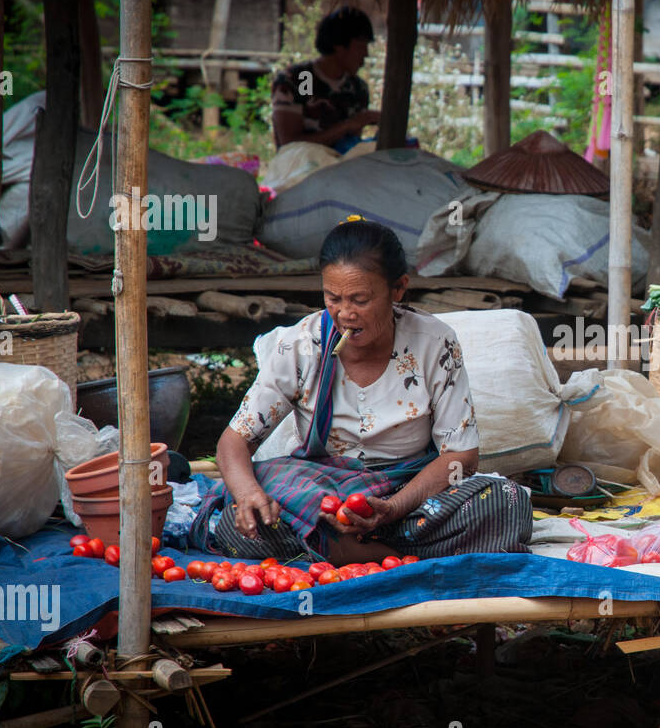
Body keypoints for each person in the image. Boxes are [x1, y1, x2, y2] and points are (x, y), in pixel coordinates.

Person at [190, 217, 531, 564]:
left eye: (360, 300)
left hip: (407, 495)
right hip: (320, 495)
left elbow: (461, 457)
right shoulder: (300, 345)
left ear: (398, 289)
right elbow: (234, 442)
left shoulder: (434, 343)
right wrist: (248, 493)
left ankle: (349, 552)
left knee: (504, 500)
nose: (345, 314)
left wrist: (394, 508)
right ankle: (391, 558)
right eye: (333, 298)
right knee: (244, 520)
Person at [271, 6, 381, 153]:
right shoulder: (303, 79)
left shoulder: (356, 88)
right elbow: (290, 144)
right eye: (361, 47)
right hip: (299, 172)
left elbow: (350, 145)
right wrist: (347, 125)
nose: (366, 54)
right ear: (339, 46)